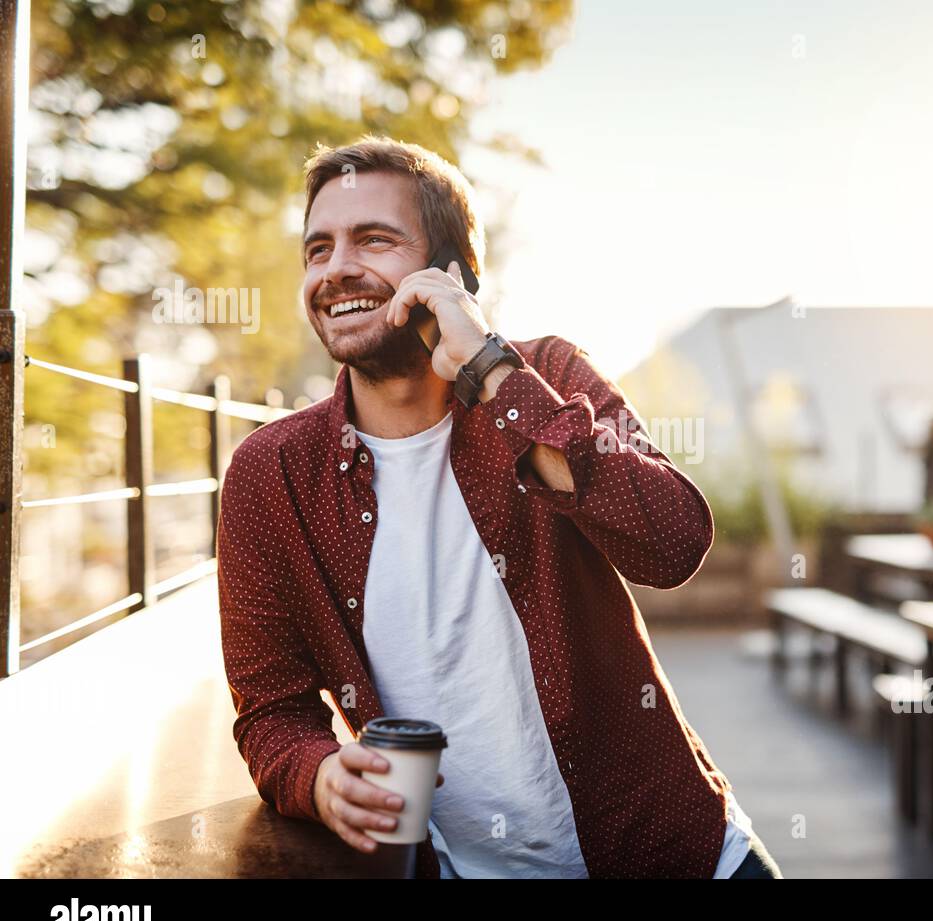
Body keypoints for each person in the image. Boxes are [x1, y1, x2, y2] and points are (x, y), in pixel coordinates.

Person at [216, 135, 782, 879]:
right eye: (317, 249)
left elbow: (671, 543)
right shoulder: (270, 475)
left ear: (452, 276)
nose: (337, 267)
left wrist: (491, 371)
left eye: (374, 240)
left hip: (676, 855)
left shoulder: (546, 374)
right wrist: (317, 777)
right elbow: (271, 708)